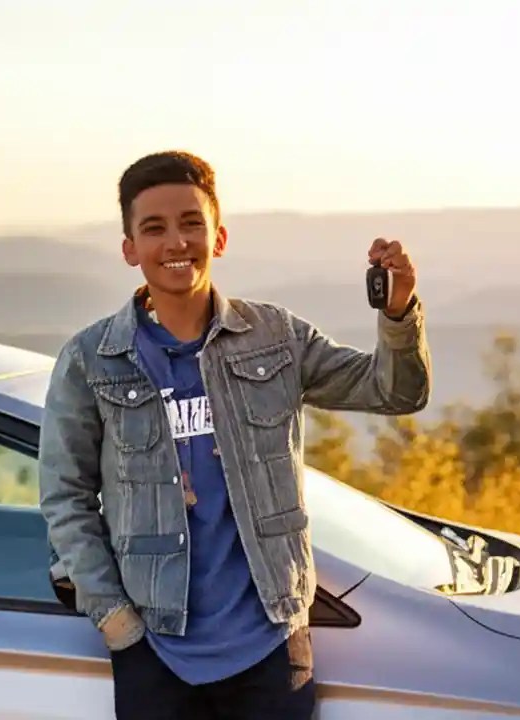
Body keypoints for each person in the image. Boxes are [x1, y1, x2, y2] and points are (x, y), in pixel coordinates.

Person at [38, 150, 431, 719]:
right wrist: (116, 620)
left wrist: (399, 312)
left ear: (219, 238)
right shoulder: (91, 361)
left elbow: (394, 392)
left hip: (271, 648)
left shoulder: (275, 339)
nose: (176, 242)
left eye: (191, 223)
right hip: (156, 653)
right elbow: (65, 498)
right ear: (130, 249)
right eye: (154, 228)